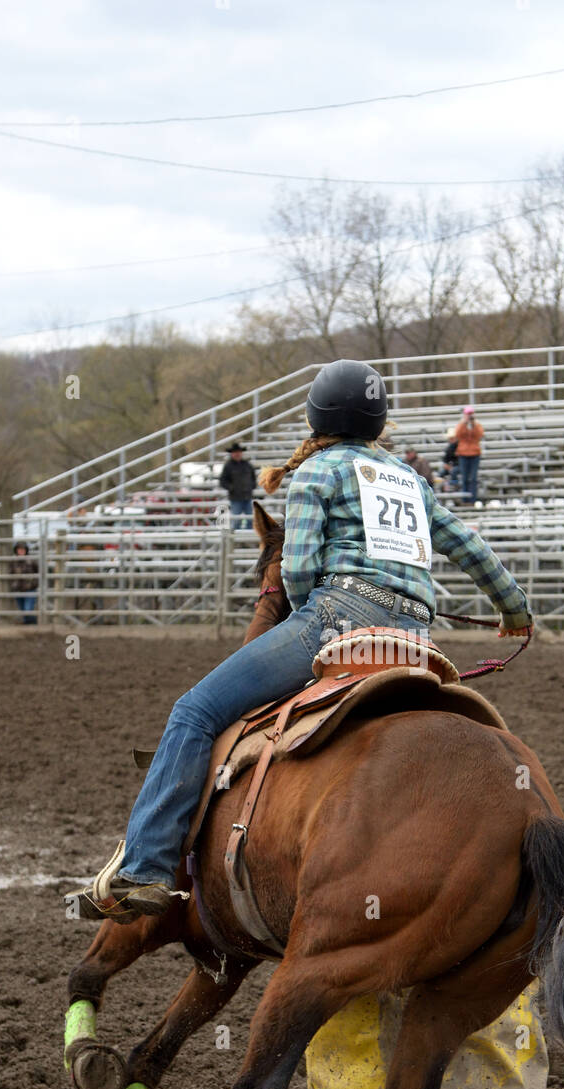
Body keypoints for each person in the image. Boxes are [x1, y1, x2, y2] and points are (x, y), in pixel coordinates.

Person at [71, 360, 533, 922]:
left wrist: (310, 604)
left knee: (194, 711)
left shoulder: (317, 471)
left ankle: (144, 867)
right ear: (378, 419)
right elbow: (472, 547)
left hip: (339, 617)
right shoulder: (410, 480)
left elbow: (296, 570)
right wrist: (514, 611)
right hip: (414, 633)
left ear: (317, 416)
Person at [218, 442, 256, 528]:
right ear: (232, 454)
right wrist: (231, 488)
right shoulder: (228, 466)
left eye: (238, 452)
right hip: (235, 498)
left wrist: (251, 486)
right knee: (236, 521)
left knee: (250, 520)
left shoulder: (247, 465)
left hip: (247, 496)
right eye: (235, 452)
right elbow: (223, 481)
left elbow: (253, 478)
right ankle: (236, 539)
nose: (237, 454)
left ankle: (247, 538)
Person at [453, 406, 484, 504]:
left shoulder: (477, 424)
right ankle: (465, 499)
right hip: (463, 454)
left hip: (475, 454)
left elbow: (480, 435)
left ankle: (473, 499)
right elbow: (457, 434)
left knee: (473, 478)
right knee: (465, 477)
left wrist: (473, 424)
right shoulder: (461, 424)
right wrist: (464, 423)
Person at [9, 541, 38, 624]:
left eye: (23, 549)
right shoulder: (13, 561)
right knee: (24, 612)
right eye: (19, 549)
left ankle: (33, 625)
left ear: (26, 550)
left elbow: (38, 572)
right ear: (16, 551)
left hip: (30, 589)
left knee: (27, 610)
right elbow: (10, 574)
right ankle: (29, 629)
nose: (21, 551)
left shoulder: (31, 561)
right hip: (18, 590)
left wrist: (34, 583)